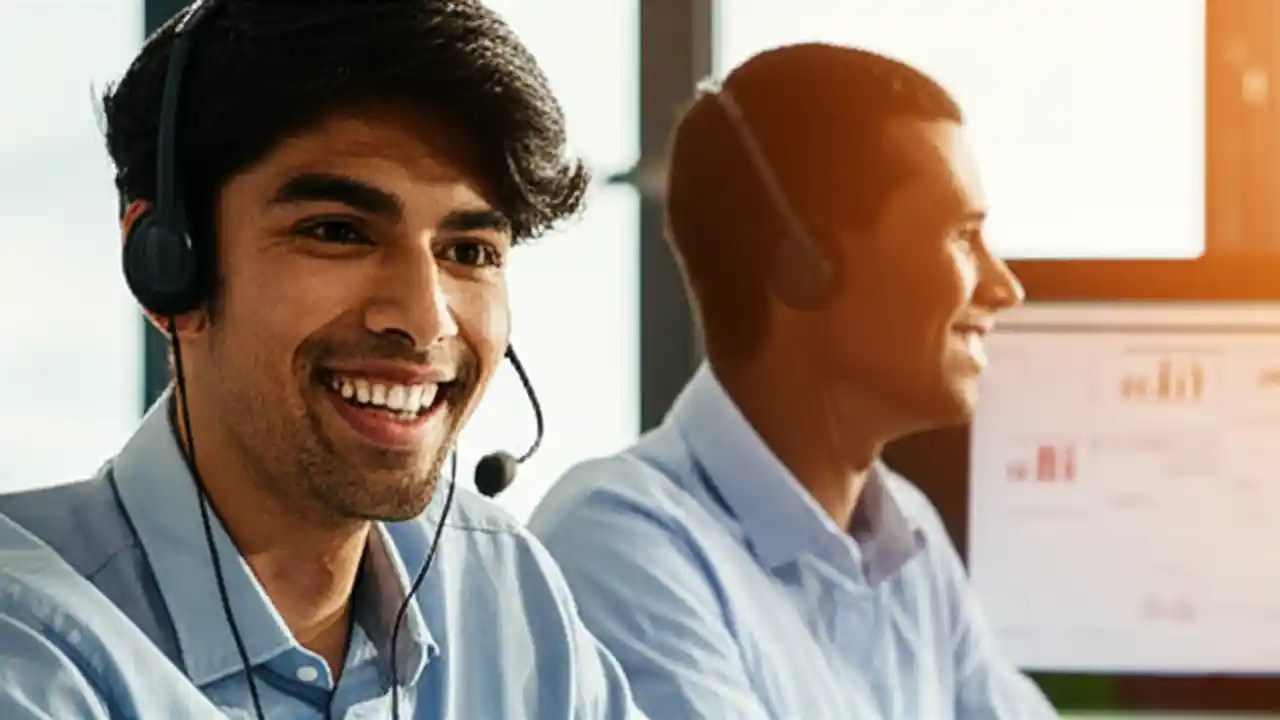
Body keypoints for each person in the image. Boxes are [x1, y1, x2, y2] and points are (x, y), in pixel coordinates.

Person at [0, 1, 644, 718]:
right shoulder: (29, 643)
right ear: (166, 266)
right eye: (338, 232)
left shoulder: (503, 592)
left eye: (469, 252)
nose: (424, 319)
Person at [529, 43, 1059, 719]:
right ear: (807, 267)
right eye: (963, 236)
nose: (1005, 287)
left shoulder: (906, 544)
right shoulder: (620, 544)